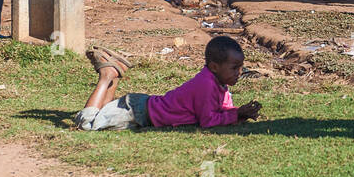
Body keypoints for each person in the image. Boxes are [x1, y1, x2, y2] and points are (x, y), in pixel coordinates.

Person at [75, 37, 261, 131]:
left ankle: (114, 76)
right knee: (87, 124)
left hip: (143, 110)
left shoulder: (219, 83)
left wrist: (239, 114)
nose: (239, 73)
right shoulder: (206, 85)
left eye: (240, 68)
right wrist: (236, 114)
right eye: (234, 68)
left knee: (102, 114)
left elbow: (222, 110)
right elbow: (208, 121)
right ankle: (107, 75)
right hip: (139, 112)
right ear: (214, 66)